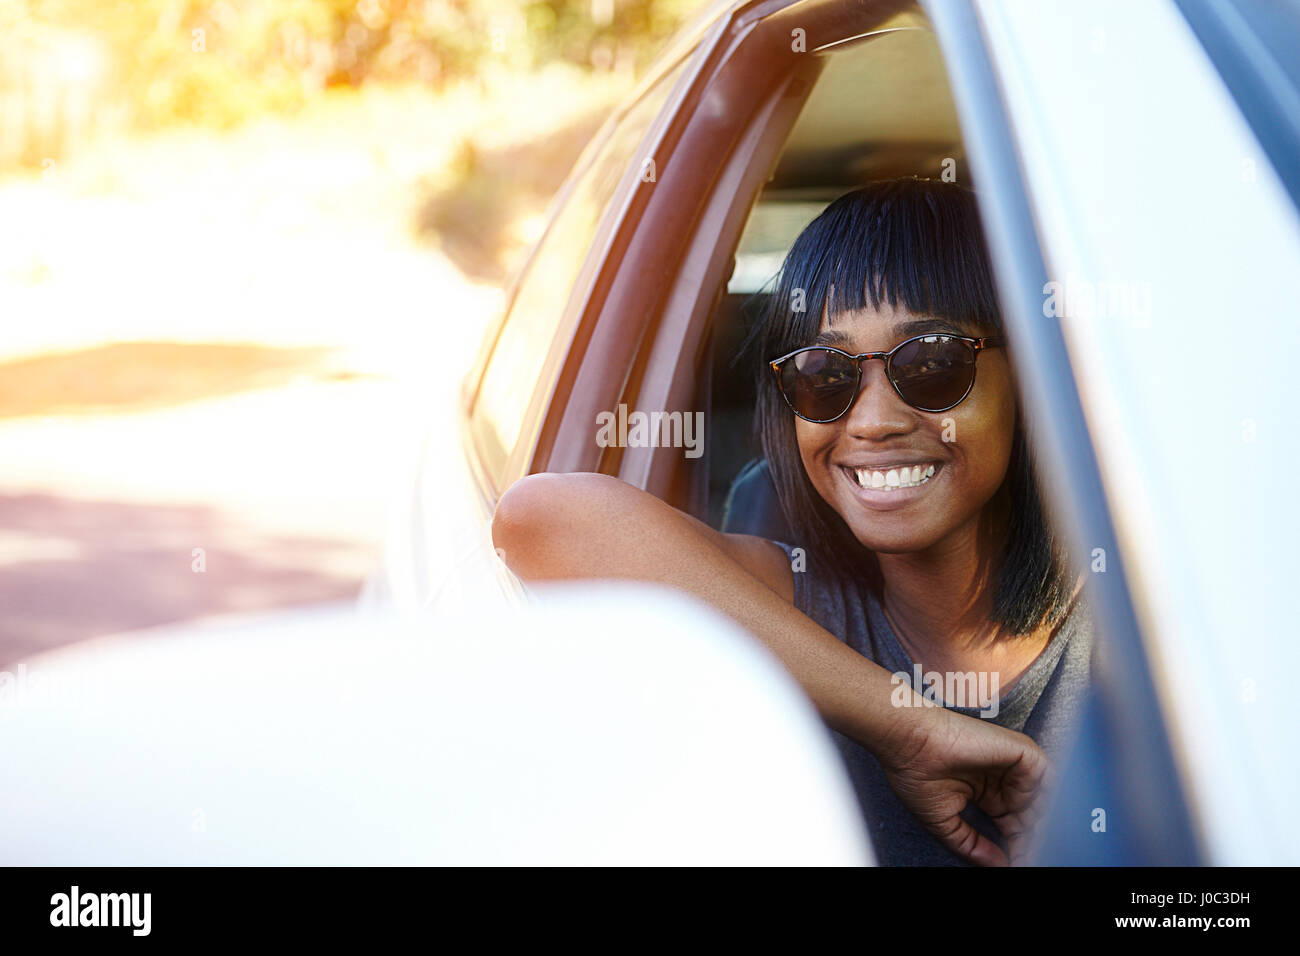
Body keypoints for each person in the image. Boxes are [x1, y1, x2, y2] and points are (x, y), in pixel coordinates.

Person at [491, 178, 1093, 866]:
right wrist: (906, 728)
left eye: (932, 363)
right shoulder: (791, 604)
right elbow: (537, 518)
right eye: (823, 374)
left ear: (1033, 376)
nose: (873, 421)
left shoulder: (1143, 620)